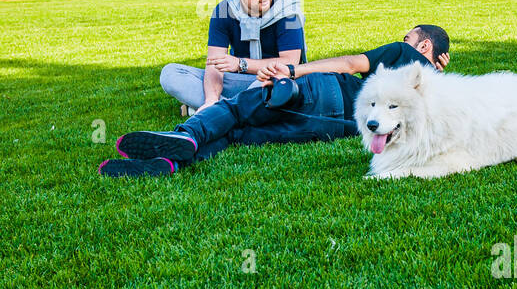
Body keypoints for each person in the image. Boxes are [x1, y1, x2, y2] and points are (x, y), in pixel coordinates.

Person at [100, 25, 452, 177]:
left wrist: (294, 70)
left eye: (408, 36)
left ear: (421, 45)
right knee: (239, 132)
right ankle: (171, 163)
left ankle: (187, 134)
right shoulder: (435, 93)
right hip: (334, 128)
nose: (402, 40)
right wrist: (438, 69)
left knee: (240, 107)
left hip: (326, 92)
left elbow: (350, 64)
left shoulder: (405, 52)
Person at [160, 0, 306, 116]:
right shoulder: (224, 11)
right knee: (170, 74)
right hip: (240, 80)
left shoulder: (287, 10)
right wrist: (211, 98)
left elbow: (290, 63)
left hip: (277, 79)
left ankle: (220, 111)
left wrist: (240, 64)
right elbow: (214, 64)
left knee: (269, 85)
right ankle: (224, 107)